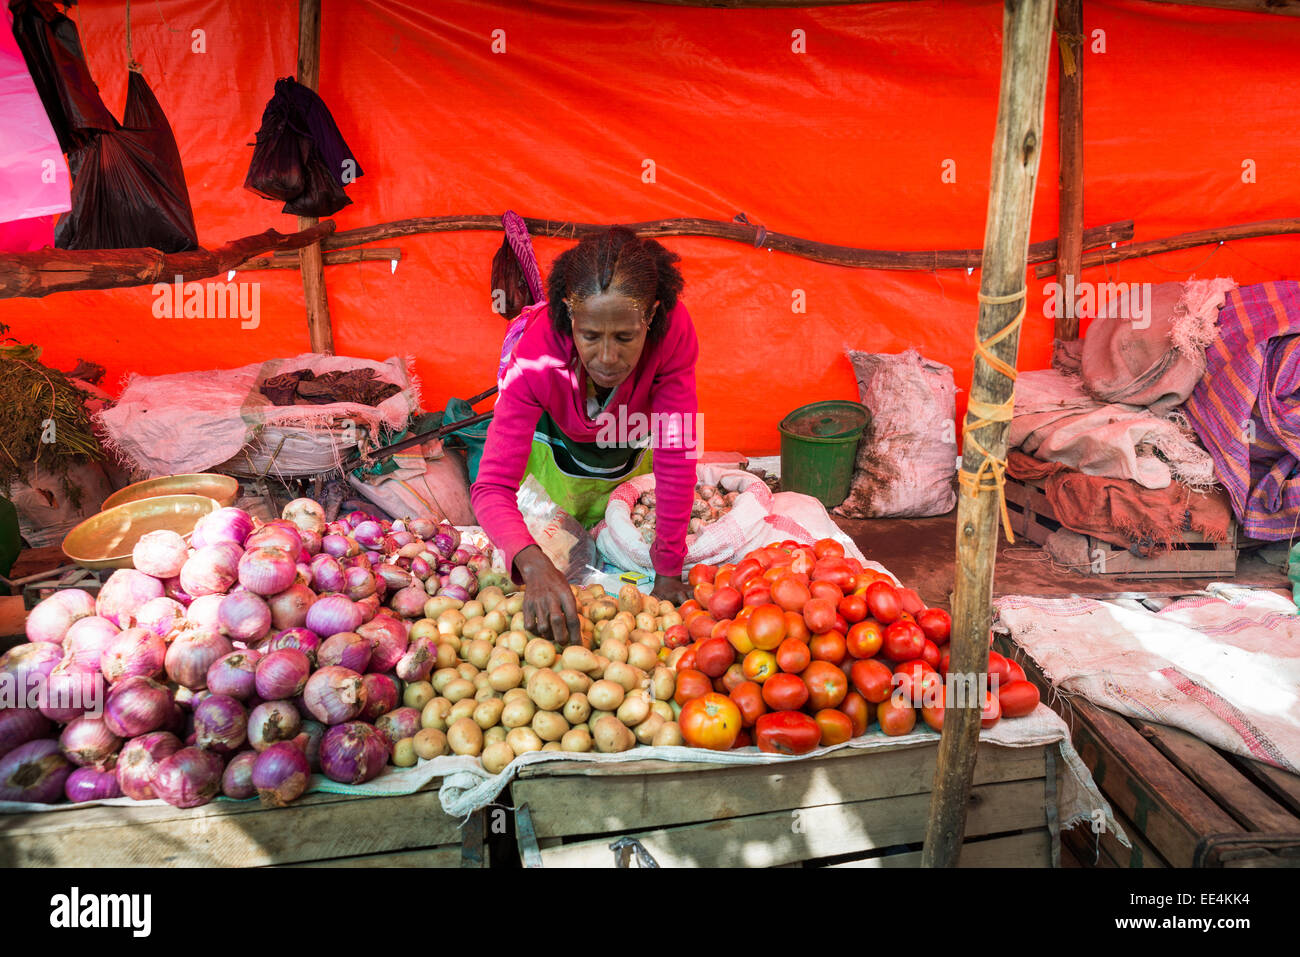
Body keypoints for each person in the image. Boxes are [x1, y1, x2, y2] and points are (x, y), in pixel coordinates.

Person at [471, 226, 699, 644]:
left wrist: (668, 569)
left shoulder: (674, 333)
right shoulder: (536, 354)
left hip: (626, 436)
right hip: (557, 450)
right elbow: (490, 486)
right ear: (570, 316)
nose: (608, 358)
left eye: (626, 337)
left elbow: (676, 453)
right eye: (590, 336)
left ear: (651, 315)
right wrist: (533, 563)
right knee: (559, 534)